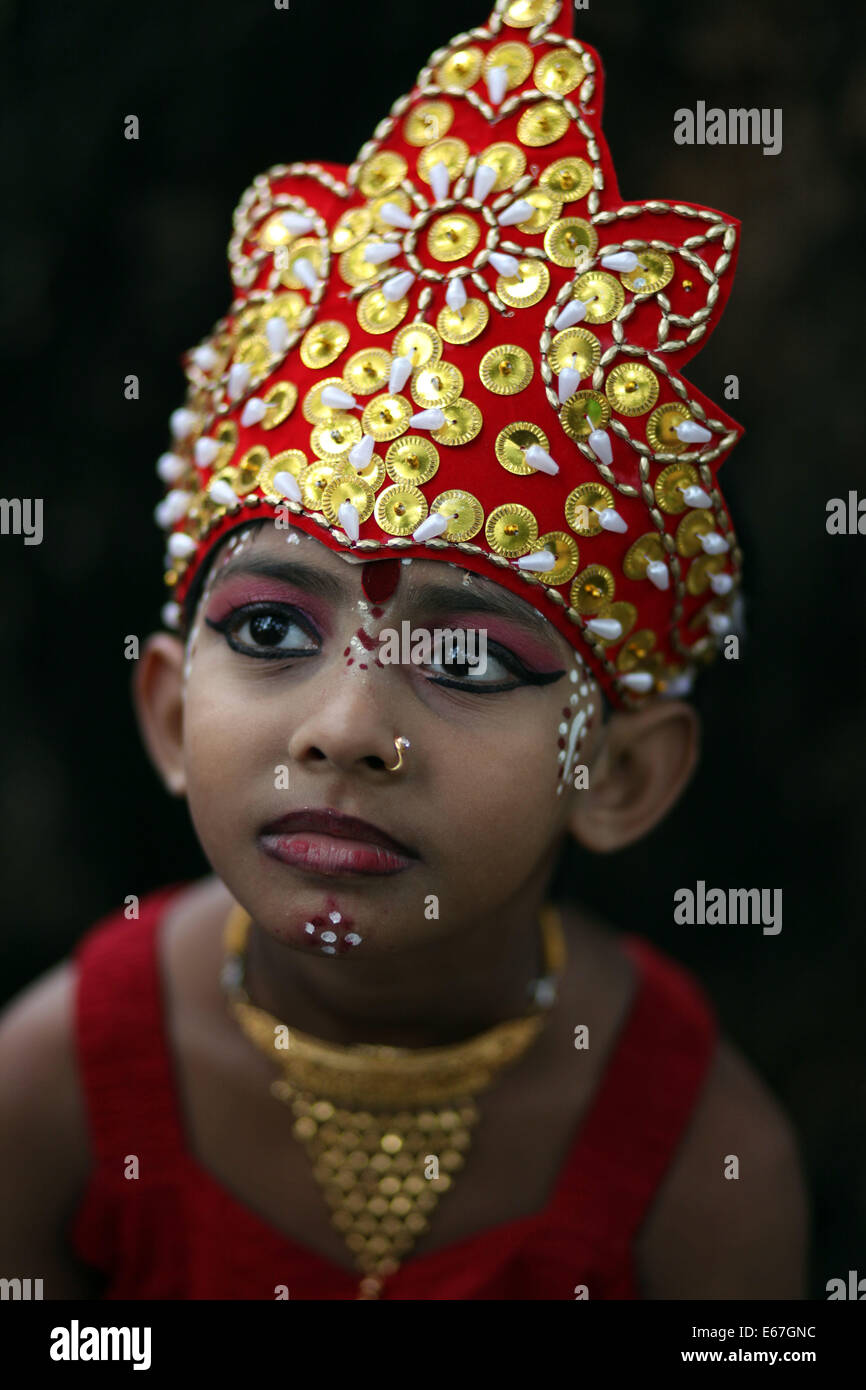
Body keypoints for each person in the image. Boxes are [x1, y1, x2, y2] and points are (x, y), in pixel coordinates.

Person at [0, 0, 808, 1300]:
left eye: (473, 661)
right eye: (269, 629)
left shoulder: (701, 1166)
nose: (343, 727)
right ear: (164, 712)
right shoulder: (58, 1083)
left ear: (615, 774)